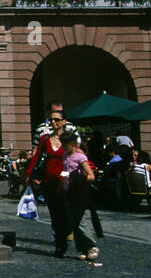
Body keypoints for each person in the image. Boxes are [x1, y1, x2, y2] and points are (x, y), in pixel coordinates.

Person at [25, 110, 70, 257]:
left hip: (65, 182)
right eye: (51, 120)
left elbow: (77, 156)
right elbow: (36, 157)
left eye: (57, 120)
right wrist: (28, 175)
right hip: (49, 182)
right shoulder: (45, 139)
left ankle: (66, 235)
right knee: (55, 215)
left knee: (65, 213)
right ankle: (60, 245)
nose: (53, 122)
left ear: (64, 122)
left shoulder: (69, 139)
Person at [60, 130, 101, 265]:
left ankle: (92, 245)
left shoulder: (80, 157)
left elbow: (91, 176)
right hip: (68, 191)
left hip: (79, 192)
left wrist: (76, 178)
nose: (63, 146)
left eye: (65, 144)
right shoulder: (65, 156)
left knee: (81, 220)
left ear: (72, 143)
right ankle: (82, 249)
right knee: (73, 221)